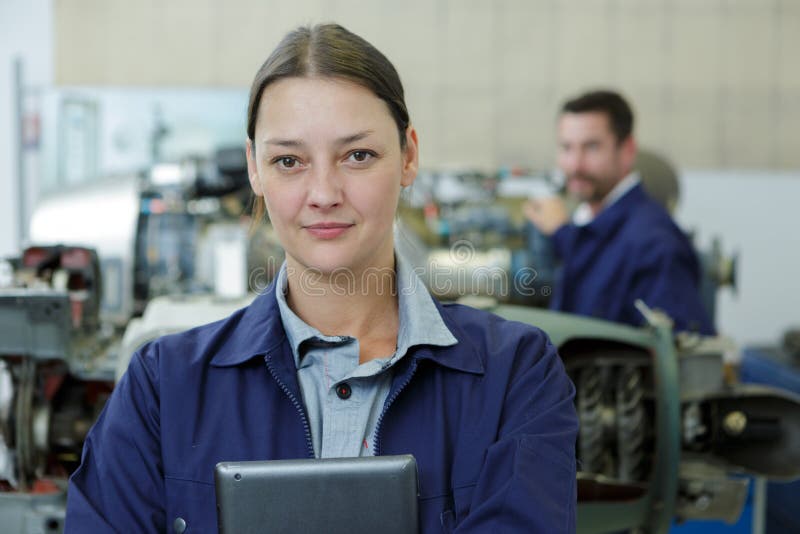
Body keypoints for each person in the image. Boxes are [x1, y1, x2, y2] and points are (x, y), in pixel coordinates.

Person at [65, 24, 578, 532]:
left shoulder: (515, 376)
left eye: (358, 155)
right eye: (289, 161)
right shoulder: (163, 388)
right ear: (254, 169)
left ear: (409, 156)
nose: (324, 192)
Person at [524, 90, 714, 335]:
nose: (575, 165)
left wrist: (564, 234)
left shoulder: (653, 243)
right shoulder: (585, 225)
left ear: (627, 150)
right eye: (566, 148)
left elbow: (678, 351)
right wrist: (564, 235)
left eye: (591, 147)